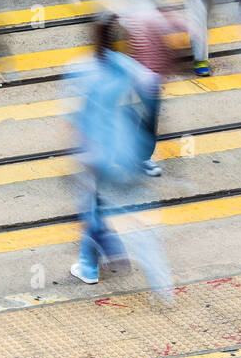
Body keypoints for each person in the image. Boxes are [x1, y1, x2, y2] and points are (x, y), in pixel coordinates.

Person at [68, 17, 172, 300]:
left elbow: (72, 119)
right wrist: (143, 128)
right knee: (105, 208)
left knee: (92, 207)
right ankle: (96, 263)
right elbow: (152, 85)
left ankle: (100, 260)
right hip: (121, 148)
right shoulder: (122, 63)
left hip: (93, 150)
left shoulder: (80, 68)